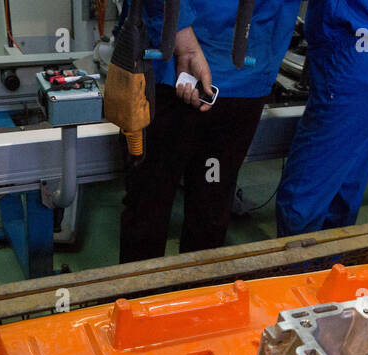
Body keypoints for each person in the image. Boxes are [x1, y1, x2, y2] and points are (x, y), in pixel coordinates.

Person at [119, 0, 302, 263]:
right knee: (177, 206)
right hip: (178, 65)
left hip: (227, 69)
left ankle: (183, 299)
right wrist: (180, 37)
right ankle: (151, 300)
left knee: (183, 206)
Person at [276, 0, 368, 237]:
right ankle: (331, 266)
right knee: (346, 181)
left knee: (304, 194)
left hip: (351, 61)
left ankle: (296, 268)